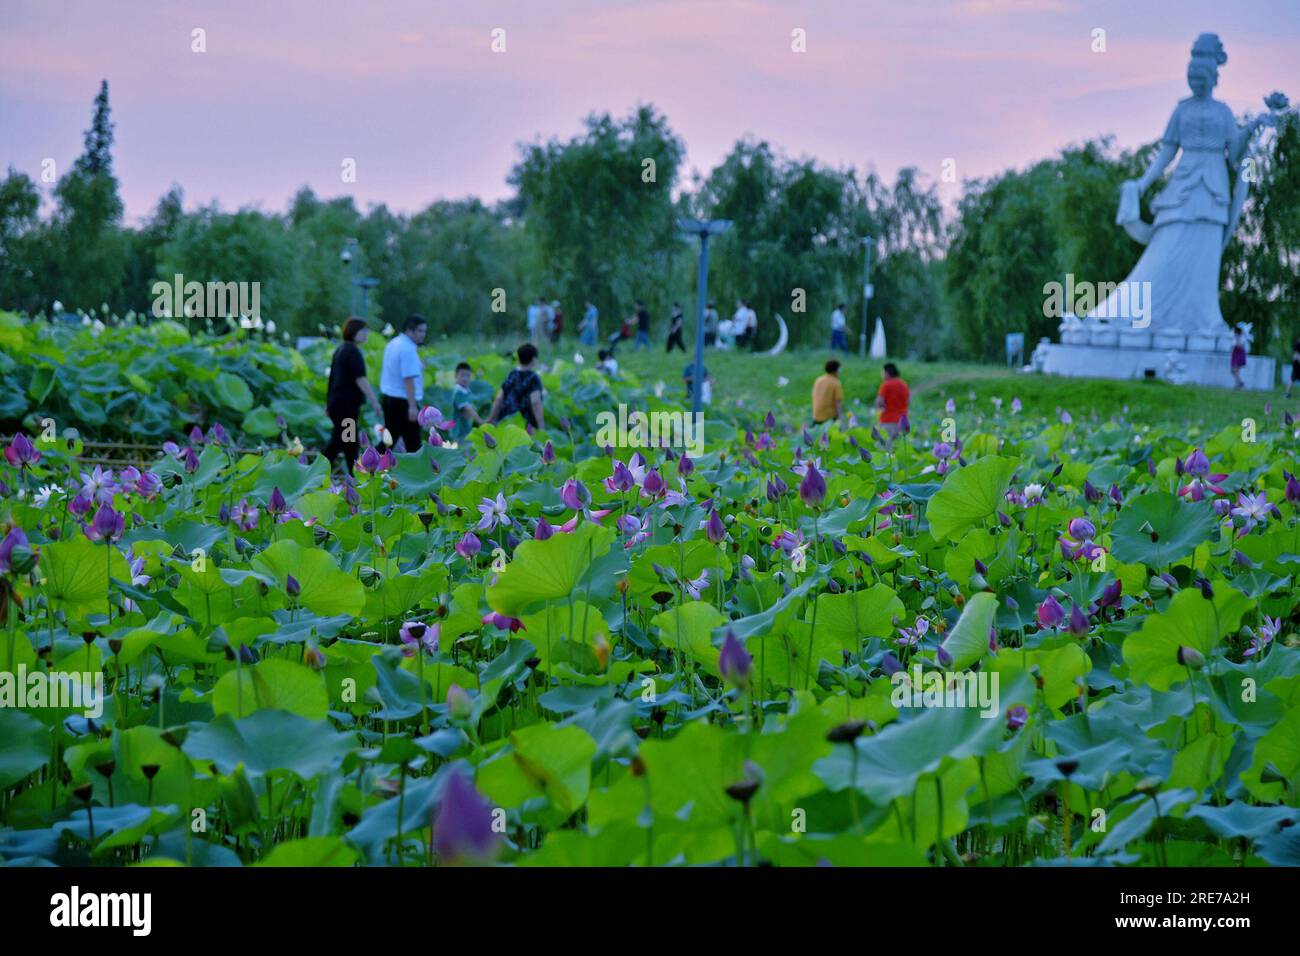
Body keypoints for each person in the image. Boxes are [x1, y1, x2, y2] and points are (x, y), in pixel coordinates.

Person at [322, 317, 384, 473]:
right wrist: (375, 402)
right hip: (346, 407)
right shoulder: (352, 351)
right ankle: (320, 472)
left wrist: (328, 404)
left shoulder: (341, 349)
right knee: (343, 442)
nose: (366, 334)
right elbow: (361, 379)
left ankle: (351, 475)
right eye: (363, 331)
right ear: (353, 332)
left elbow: (332, 380)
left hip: (338, 405)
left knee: (346, 441)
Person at [379, 314, 428, 452]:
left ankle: (369, 461)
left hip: (389, 398)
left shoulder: (393, 343)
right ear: (409, 330)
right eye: (420, 331)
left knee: (390, 439)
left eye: (424, 331)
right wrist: (412, 406)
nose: (423, 334)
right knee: (413, 443)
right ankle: (369, 461)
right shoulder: (408, 348)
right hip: (404, 401)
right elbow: (408, 378)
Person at [488, 342, 545, 430]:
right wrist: (541, 426)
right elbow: (535, 403)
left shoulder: (512, 375)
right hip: (525, 424)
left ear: (518, 359)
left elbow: (498, 399)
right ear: (534, 360)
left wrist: (491, 419)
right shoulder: (533, 378)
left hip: (506, 420)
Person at [875, 362, 910, 438]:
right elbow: (908, 400)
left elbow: (879, 402)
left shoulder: (886, 385)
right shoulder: (904, 384)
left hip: (888, 421)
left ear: (887, 373)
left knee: (886, 444)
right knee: (900, 444)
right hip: (903, 422)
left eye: (883, 372)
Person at [451, 361, 484, 442]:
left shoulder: (466, 390)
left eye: (468, 376)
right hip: (459, 431)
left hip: (466, 429)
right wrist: (481, 422)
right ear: (456, 376)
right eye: (462, 375)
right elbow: (468, 409)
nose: (465, 378)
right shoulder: (458, 392)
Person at [812, 359, 844, 424]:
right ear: (835, 370)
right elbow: (838, 402)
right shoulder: (836, 383)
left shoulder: (818, 380)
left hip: (816, 416)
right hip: (829, 418)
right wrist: (841, 418)